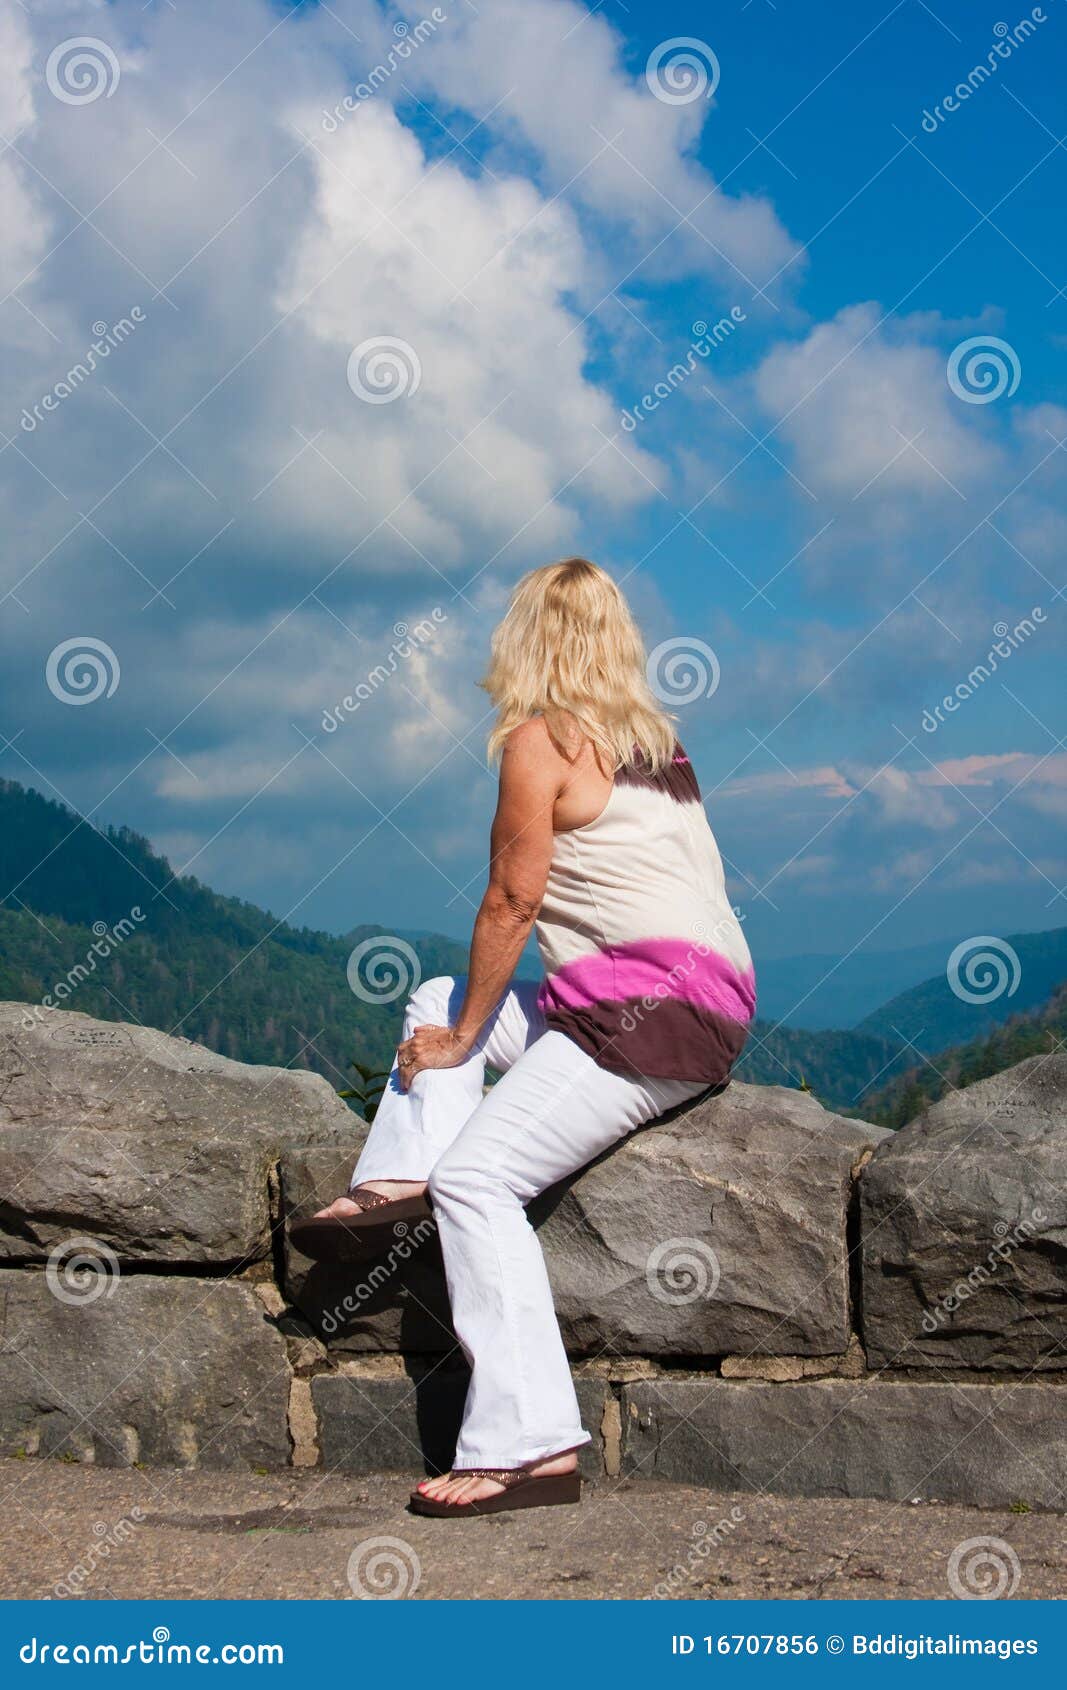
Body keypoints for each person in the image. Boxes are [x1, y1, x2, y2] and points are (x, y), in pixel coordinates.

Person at [290, 558, 755, 1517]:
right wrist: (459, 1022)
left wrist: (466, 1040)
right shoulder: (658, 745)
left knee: (475, 1179)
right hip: (708, 1000)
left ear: (523, 640)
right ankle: (391, 1180)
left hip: (641, 1020)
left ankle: (528, 1445)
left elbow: (511, 898)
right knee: (433, 991)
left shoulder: (539, 741)